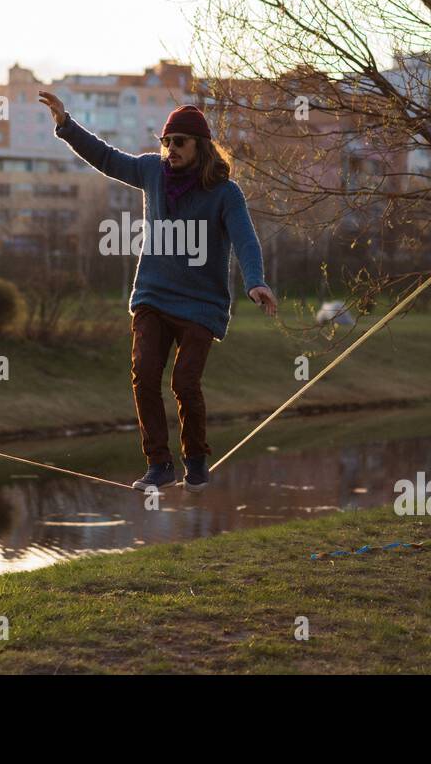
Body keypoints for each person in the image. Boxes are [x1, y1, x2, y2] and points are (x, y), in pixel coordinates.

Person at [39, 91, 277, 493]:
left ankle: (196, 460)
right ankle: (159, 463)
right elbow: (108, 158)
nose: (170, 150)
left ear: (200, 146)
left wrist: (255, 281)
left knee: (184, 382)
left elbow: (246, 241)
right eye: (165, 142)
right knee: (144, 374)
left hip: (202, 305)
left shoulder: (225, 193)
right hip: (153, 296)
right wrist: (66, 126)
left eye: (178, 143)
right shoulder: (152, 172)